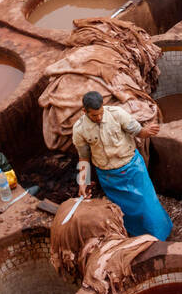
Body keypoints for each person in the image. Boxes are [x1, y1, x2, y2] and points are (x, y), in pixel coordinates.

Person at [73, 91, 171, 240]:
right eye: (94, 116)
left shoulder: (117, 114)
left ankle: (161, 236)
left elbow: (138, 132)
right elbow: (84, 157)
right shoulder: (79, 129)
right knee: (125, 210)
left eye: (100, 113)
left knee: (147, 204)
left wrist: (147, 131)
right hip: (109, 177)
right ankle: (138, 237)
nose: (99, 118)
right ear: (84, 111)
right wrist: (83, 182)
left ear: (103, 107)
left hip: (132, 168)